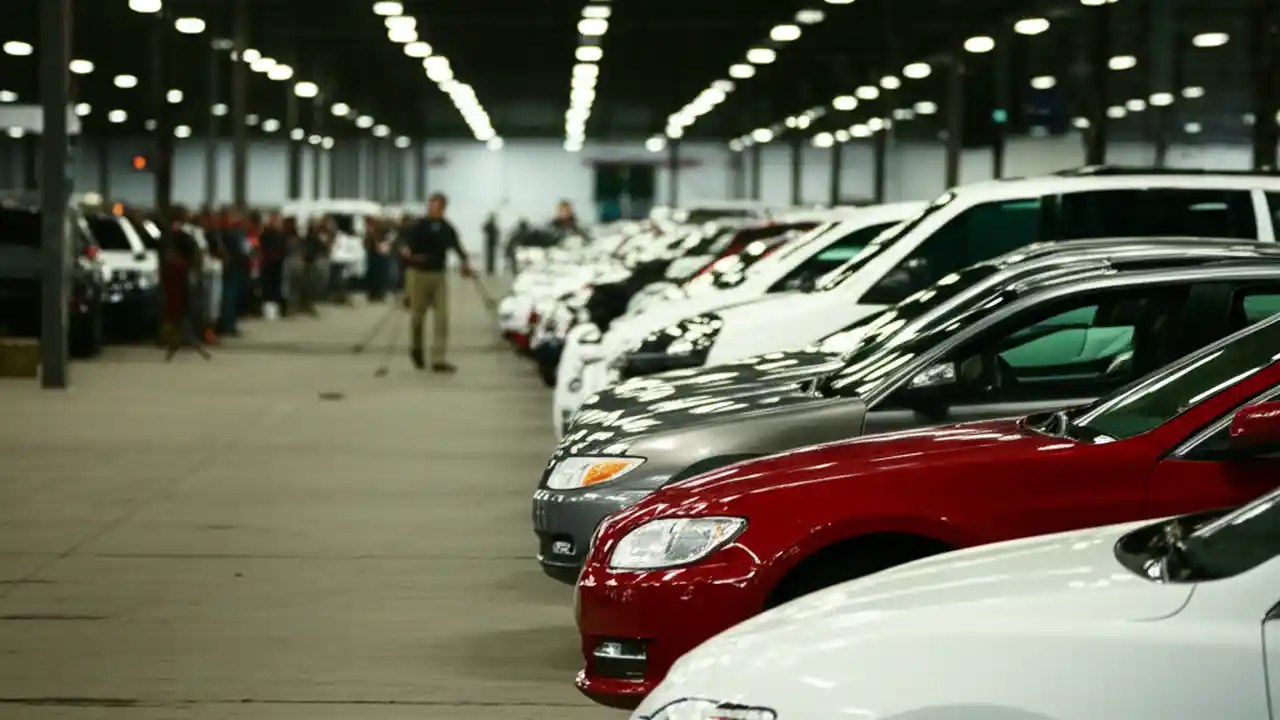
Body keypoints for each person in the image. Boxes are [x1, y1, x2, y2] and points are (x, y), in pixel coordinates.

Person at [399, 192, 473, 373]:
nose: (432, 208)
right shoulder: (418, 225)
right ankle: (417, 349)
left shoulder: (447, 228)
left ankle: (438, 358)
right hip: (419, 274)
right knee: (417, 316)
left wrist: (465, 262)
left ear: (443, 207)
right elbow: (403, 242)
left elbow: (456, 246)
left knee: (442, 317)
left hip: (438, 275)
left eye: (436, 205)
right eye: (431, 204)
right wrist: (406, 251)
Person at [259, 211, 288, 312]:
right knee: (269, 285)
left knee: (276, 285)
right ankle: (269, 305)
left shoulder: (280, 234)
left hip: (276, 263)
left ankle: (275, 306)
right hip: (269, 263)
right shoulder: (266, 234)